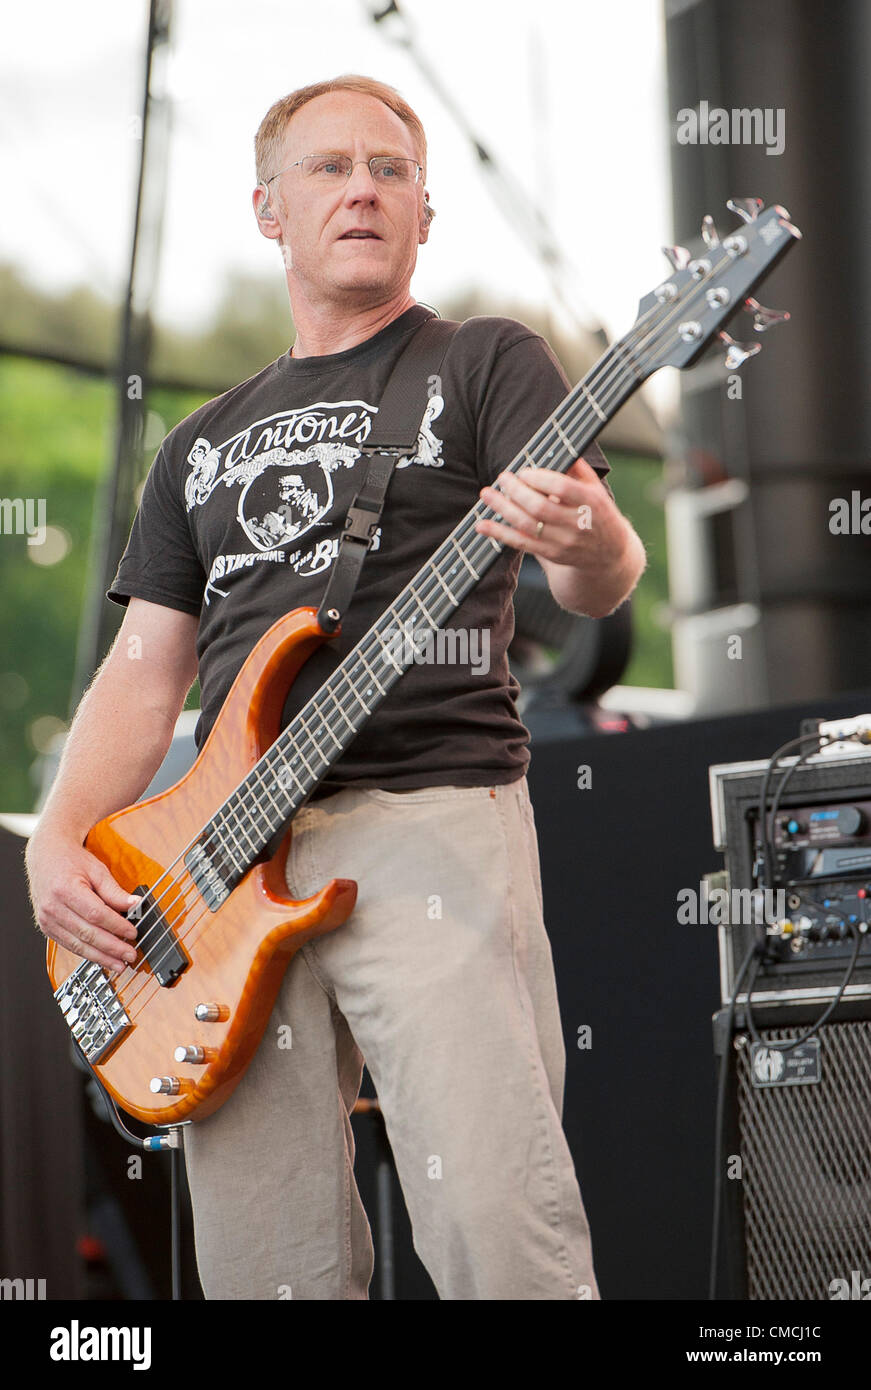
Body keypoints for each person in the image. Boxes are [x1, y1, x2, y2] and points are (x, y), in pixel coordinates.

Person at [26, 74, 646, 1300]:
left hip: (428, 814)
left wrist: (583, 539)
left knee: (493, 1225)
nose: (364, 185)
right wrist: (54, 840)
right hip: (208, 870)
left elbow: (603, 572)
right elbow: (146, 670)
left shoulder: (484, 361)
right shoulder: (200, 439)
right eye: (329, 167)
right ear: (269, 209)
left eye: (392, 169)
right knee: (270, 1268)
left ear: (425, 215)